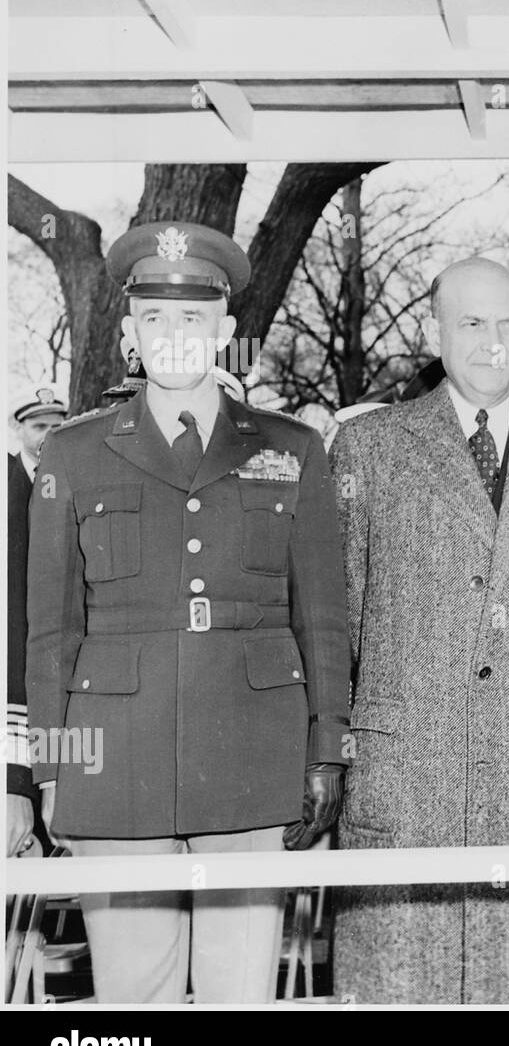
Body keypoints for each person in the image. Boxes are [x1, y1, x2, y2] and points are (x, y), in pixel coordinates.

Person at [27, 221, 352, 1003]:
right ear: (132, 332)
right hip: (115, 768)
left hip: (253, 761)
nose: (173, 337)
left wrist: (326, 750)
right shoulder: (72, 454)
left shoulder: (292, 448)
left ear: (226, 331)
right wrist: (49, 768)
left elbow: (325, 619)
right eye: (155, 319)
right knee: (134, 1005)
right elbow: (50, 631)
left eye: (193, 319)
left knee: (238, 996)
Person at [329, 256, 509, 1004]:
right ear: (436, 331)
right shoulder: (369, 448)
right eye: (472, 322)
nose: (493, 340)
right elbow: (341, 620)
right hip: (406, 790)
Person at [8, 386, 66, 857]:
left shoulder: (71, 478)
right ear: (18, 429)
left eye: (55, 425)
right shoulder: (7, 483)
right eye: (38, 425)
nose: (48, 435)